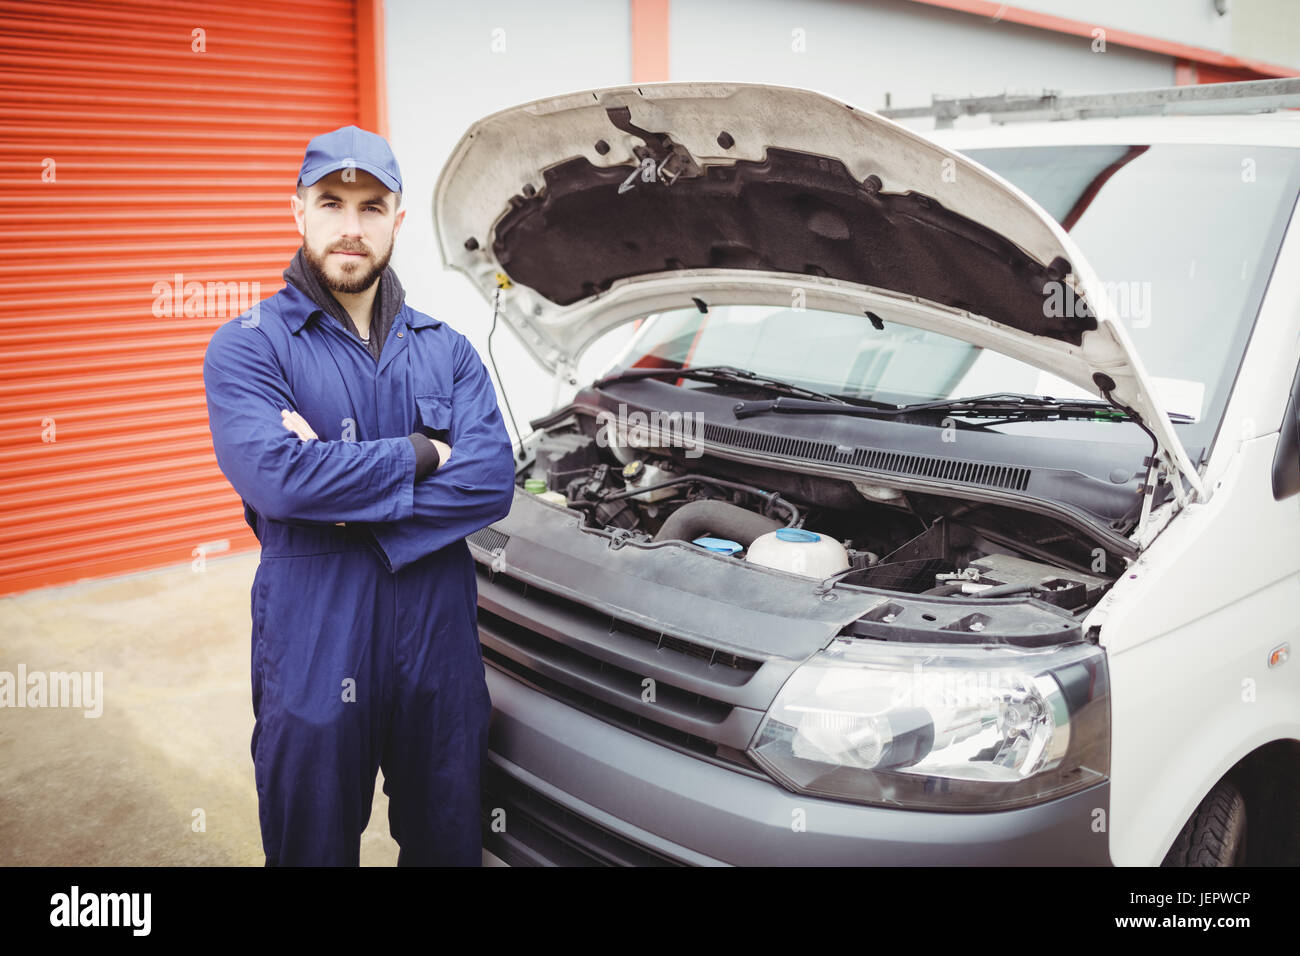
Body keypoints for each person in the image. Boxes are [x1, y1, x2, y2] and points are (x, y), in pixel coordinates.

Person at [202, 125, 516, 866]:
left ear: (397, 221)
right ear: (298, 212)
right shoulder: (250, 345)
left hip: (437, 638)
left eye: (371, 207)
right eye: (331, 203)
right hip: (314, 634)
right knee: (311, 846)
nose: (351, 226)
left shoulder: (447, 347)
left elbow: (492, 479)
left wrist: (339, 491)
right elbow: (276, 475)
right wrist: (420, 453)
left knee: (448, 840)